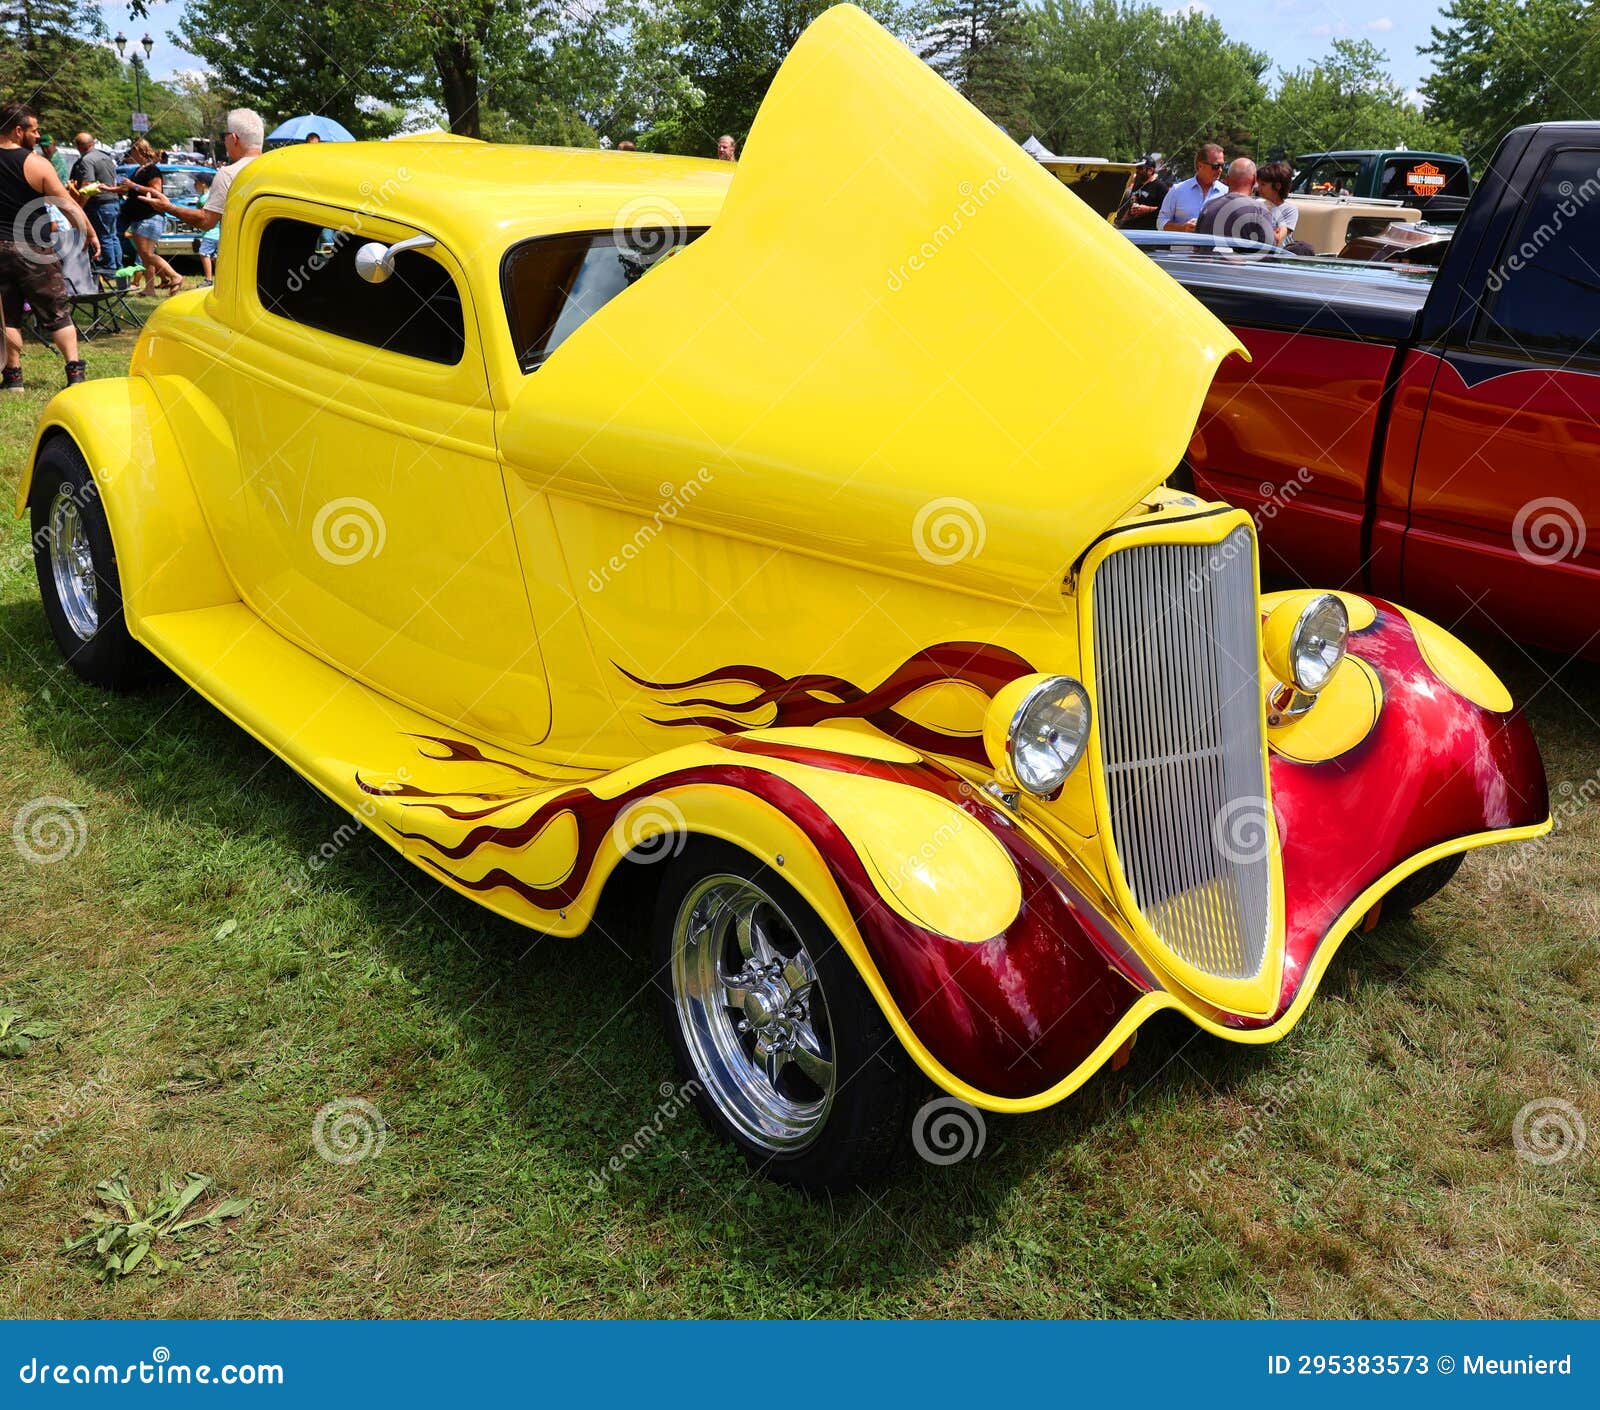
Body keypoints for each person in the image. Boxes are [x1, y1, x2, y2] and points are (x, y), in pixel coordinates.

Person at [0, 103, 100, 389]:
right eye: (34, 130)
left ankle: (13, 377)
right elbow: (67, 205)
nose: (38, 135)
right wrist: (89, 233)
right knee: (56, 311)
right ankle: (74, 371)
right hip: (33, 248)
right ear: (18, 131)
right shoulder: (36, 164)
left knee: (6, 314)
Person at [146, 109, 263, 259]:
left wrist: (169, 207)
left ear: (234, 138)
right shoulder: (277, 169)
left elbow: (206, 220)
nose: (224, 141)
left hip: (239, 261)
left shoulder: (228, 173)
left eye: (224, 136)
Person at [118, 138, 183, 295]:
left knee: (146, 254)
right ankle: (149, 289)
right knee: (145, 255)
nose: (130, 154)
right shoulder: (140, 170)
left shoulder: (152, 170)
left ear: (139, 151)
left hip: (150, 216)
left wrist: (134, 186)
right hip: (140, 217)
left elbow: (156, 190)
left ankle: (175, 276)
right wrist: (112, 188)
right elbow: (131, 190)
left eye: (132, 151)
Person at [68, 130, 120, 273]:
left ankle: (108, 267)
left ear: (80, 146)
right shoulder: (106, 157)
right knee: (112, 236)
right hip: (113, 202)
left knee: (103, 236)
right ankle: (117, 267)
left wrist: (79, 207)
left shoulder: (87, 160)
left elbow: (87, 186)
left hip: (99, 204)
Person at [1194, 157, 1275, 247]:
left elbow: (1196, 247)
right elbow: (1269, 252)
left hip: (1205, 261)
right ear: (1254, 179)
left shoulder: (1208, 206)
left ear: (1227, 179)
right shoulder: (1260, 211)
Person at [1158, 143, 1227, 232]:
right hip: (1184, 245)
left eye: (1222, 165)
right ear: (1200, 166)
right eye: (1216, 166)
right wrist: (1182, 228)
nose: (1220, 170)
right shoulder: (1178, 190)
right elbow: (1160, 222)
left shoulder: (1226, 192)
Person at [1117, 154, 1169, 231]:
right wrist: (1121, 222)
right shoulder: (1137, 182)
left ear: (1150, 170)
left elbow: (1165, 212)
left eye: (1141, 168)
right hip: (1129, 228)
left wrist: (1148, 209)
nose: (1137, 170)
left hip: (1147, 231)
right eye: (1137, 167)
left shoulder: (1161, 187)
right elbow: (1131, 205)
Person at [1256, 160, 1299, 246]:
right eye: (1258, 184)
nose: (1258, 188)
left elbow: (1278, 239)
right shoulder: (1257, 203)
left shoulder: (1289, 210)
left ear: (1277, 186)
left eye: (1263, 184)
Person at [194, 173, 216, 283]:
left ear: (203, 184)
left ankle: (208, 279)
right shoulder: (213, 195)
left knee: (204, 254)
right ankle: (221, 279)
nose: (194, 185)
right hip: (218, 233)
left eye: (196, 182)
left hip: (210, 233)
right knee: (216, 256)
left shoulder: (204, 199)